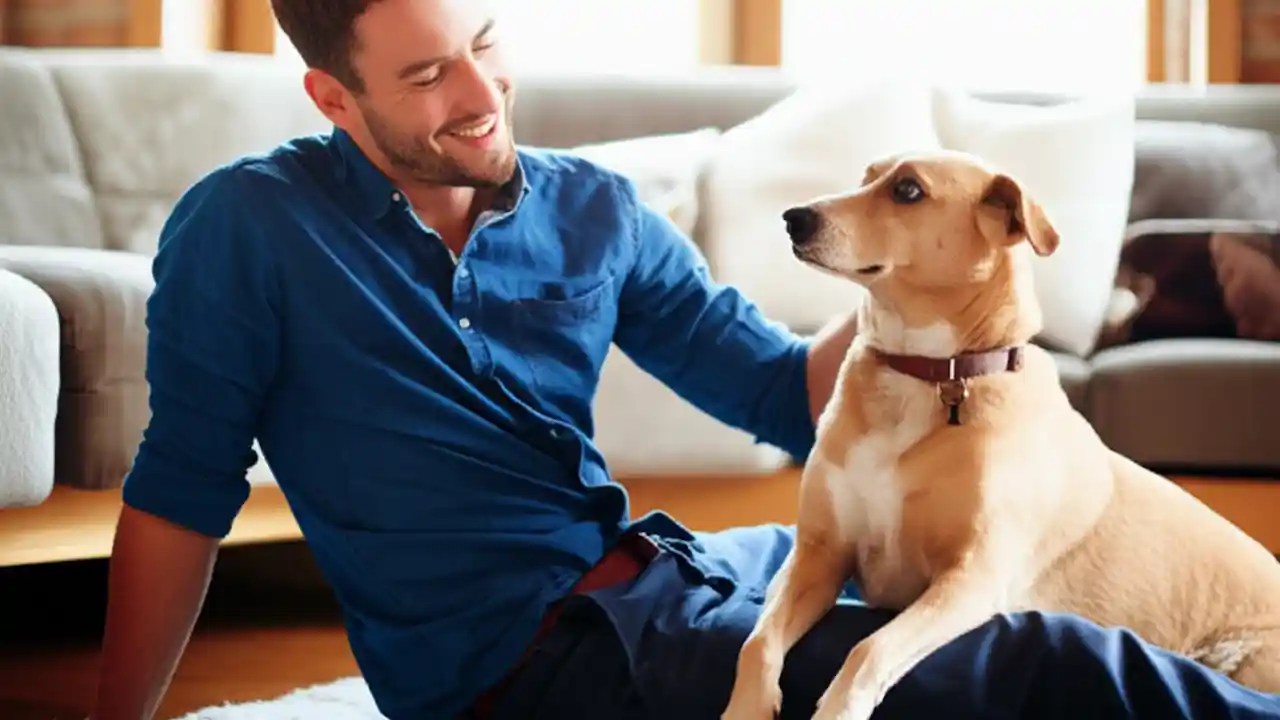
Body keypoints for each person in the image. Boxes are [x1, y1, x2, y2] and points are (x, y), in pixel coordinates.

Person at [90, 1, 1280, 719]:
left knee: (981, 612)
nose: (481, 93)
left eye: (482, 43)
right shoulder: (248, 228)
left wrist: (944, 301)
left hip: (671, 571)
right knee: (1034, 664)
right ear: (333, 99)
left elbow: (769, 387)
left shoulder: (592, 211)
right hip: (524, 661)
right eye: (424, 76)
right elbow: (181, 493)